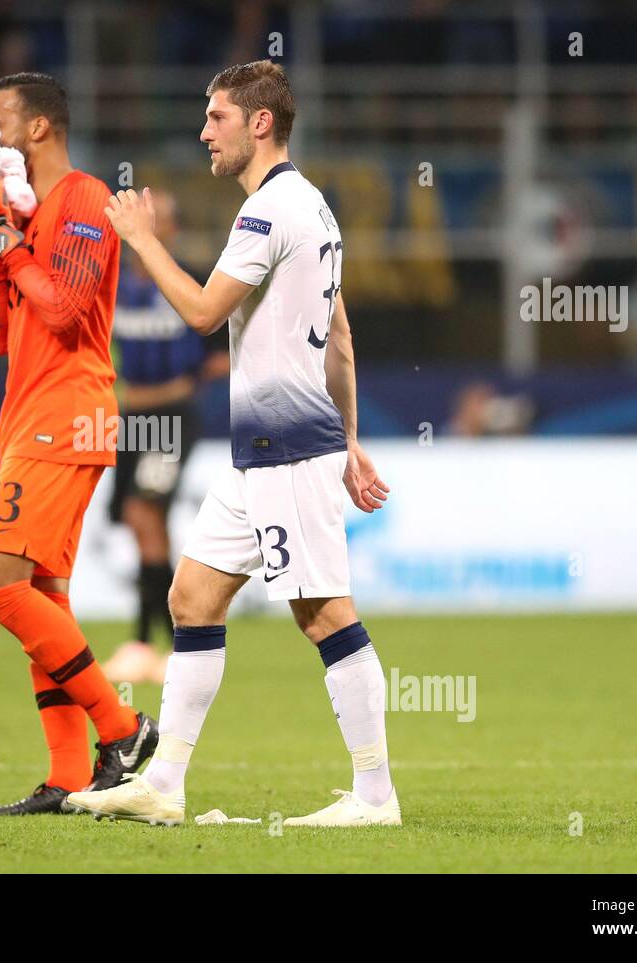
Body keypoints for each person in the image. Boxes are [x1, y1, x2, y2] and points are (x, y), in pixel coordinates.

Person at [68, 61, 399, 828]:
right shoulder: (314, 208)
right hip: (265, 450)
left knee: (321, 613)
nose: (203, 131)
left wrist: (141, 241)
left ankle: (377, 796)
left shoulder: (267, 212)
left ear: (259, 124)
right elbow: (340, 336)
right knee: (192, 597)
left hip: (286, 447)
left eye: (215, 117)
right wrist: (350, 438)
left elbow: (201, 312)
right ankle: (166, 784)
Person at [0, 73, 158, 816]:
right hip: (30, 416)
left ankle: (123, 728)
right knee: (40, 592)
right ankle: (72, 774)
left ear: (38, 128)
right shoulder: (28, 211)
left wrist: (11, 238)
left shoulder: (80, 197)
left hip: (67, 413)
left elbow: (69, 309)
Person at [102, 188, 228, 686]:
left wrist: (190, 380)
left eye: (159, 221)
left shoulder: (187, 285)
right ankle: (167, 644)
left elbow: (222, 348)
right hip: (129, 418)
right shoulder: (113, 289)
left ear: (170, 231)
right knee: (141, 524)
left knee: (143, 512)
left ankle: (150, 642)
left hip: (172, 416)